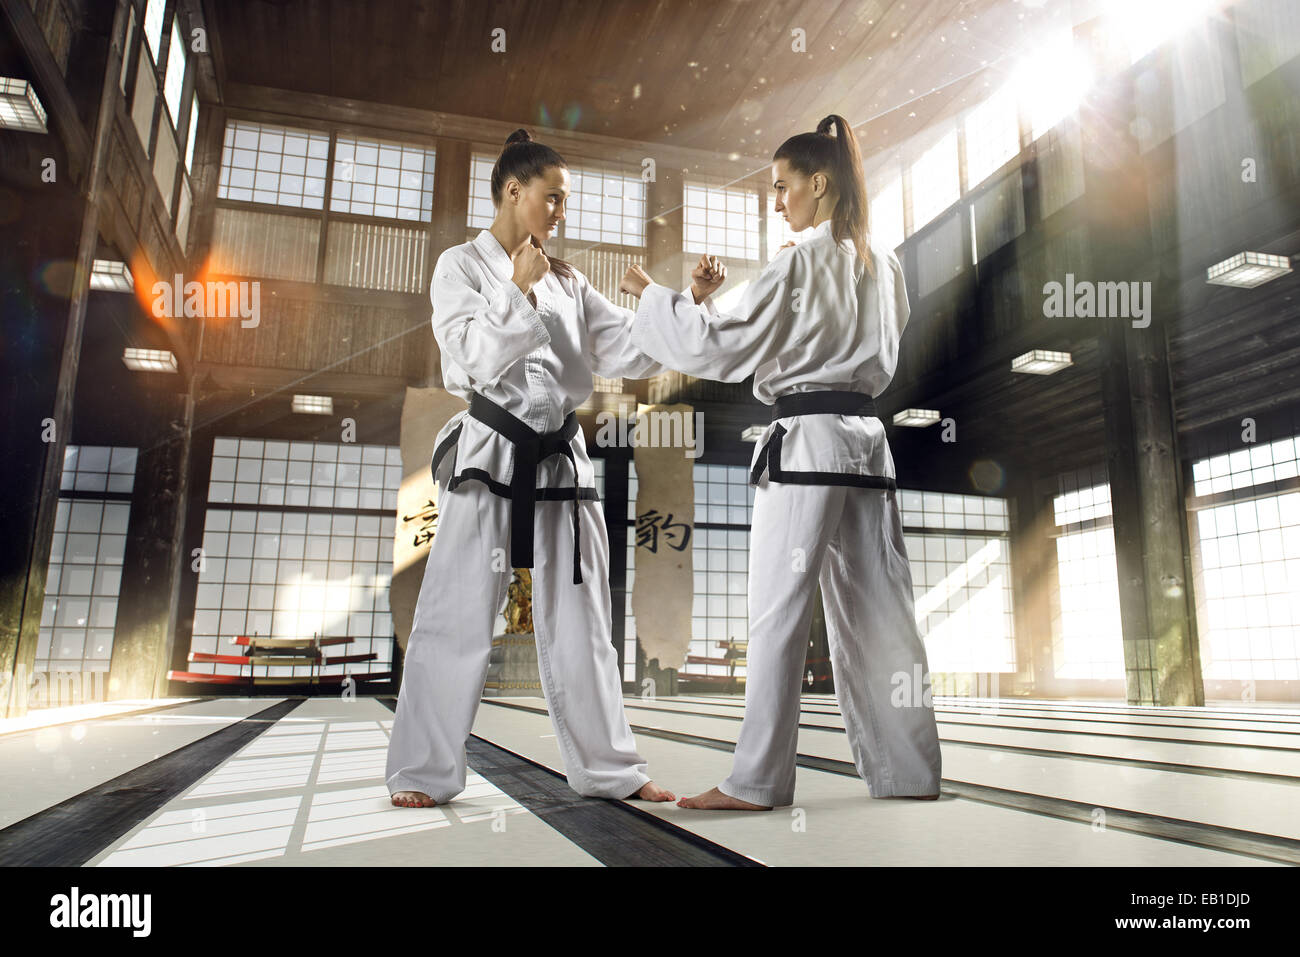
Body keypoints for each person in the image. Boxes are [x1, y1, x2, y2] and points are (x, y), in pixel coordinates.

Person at [618, 114, 942, 811]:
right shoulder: (883, 265)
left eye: (781, 185)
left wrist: (653, 296)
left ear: (817, 182)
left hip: (807, 446)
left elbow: (718, 349)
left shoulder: (799, 262)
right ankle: (910, 770)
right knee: (885, 613)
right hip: (866, 447)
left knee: (777, 614)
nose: (775, 200)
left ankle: (759, 780)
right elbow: (878, 351)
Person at [386, 129, 718, 807]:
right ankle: (423, 770)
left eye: (564, 201)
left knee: (584, 618)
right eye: (553, 198)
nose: (560, 212)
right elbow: (471, 360)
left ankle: (611, 769)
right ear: (514, 190)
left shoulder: (569, 280)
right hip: (490, 451)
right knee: (454, 613)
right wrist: (515, 289)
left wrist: (687, 305)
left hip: (562, 460)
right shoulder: (460, 267)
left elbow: (628, 349)